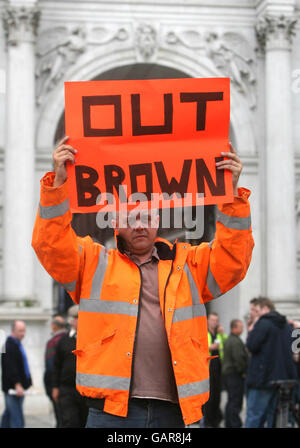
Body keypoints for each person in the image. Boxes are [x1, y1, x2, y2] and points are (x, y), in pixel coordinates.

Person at [31, 136, 254, 428]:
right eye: (131, 216)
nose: (139, 223)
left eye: (146, 216)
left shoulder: (189, 265)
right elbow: (51, 245)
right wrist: (58, 184)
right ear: (114, 223)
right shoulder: (93, 263)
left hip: (177, 414)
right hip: (111, 413)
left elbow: (233, 258)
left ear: (157, 221)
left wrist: (232, 193)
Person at [245, 297, 298, 428]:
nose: (253, 313)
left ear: (265, 309)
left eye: (255, 310)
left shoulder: (263, 323)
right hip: (281, 379)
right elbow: (295, 348)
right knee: (273, 418)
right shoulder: (286, 326)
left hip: (262, 379)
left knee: (254, 416)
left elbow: (251, 345)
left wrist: (252, 328)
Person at [52, 305, 88, 427]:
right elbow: (56, 365)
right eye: (77, 318)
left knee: (85, 421)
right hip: (67, 389)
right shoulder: (63, 340)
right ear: (71, 321)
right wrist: (55, 387)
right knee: (70, 421)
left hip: (85, 390)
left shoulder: (89, 338)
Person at [1, 320, 32, 428]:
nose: (23, 333)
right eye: (20, 331)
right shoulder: (9, 345)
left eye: (24, 331)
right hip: (13, 388)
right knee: (17, 419)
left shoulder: (16, 344)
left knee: (9, 415)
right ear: (13, 331)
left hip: (18, 387)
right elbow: (10, 367)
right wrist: (17, 384)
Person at [222, 319, 249, 428]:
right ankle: (234, 424)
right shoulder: (235, 341)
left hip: (229, 374)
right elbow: (238, 358)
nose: (242, 329)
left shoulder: (230, 339)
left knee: (231, 399)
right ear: (234, 328)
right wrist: (243, 371)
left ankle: (229, 423)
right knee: (235, 400)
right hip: (234, 374)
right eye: (240, 327)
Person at [202, 312, 227, 427]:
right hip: (208, 367)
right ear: (208, 320)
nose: (215, 322)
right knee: (209, 395)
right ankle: (207, 420)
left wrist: (222, 334)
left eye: (216, 320)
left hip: (218, 366)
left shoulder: (218, 334)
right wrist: (210, 347)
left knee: (217, 395)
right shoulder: (204, 332)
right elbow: (200, 347)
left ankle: (215, 420)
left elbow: (226, 344)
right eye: (212, 320)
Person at [44, 315, 67, 427]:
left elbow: (51, 367)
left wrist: (53, 386)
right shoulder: (69, 338)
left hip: (57, 386)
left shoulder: (54, 342)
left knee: (60, 417)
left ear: (54, 326)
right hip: (67, 386)